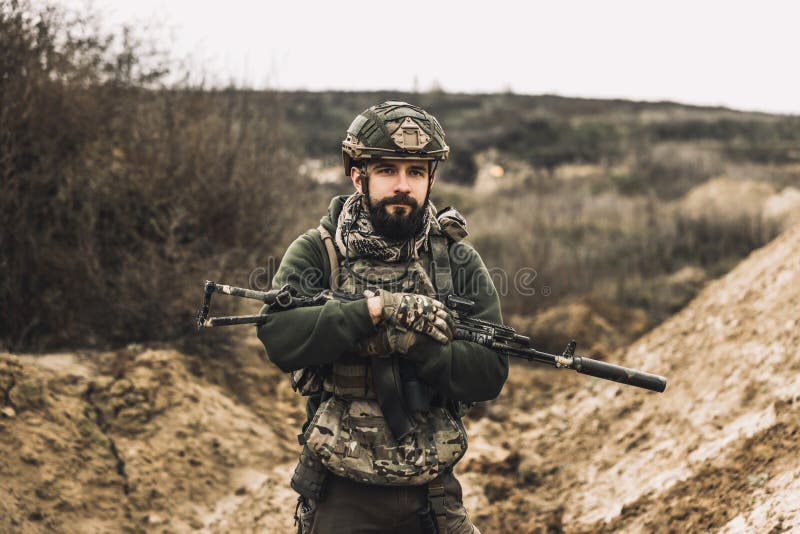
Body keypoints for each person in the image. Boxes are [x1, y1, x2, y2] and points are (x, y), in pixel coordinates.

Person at [257, 101, 508, 534]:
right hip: (339, 492)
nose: (402, 186)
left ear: (431, 179)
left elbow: (490, 372)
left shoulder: (455, 260)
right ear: (359, 176)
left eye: (415, 172)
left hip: (432, 494)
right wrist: (373, 311)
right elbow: (279, 337)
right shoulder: (319, 252)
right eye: (387, 171)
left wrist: (418, 345)